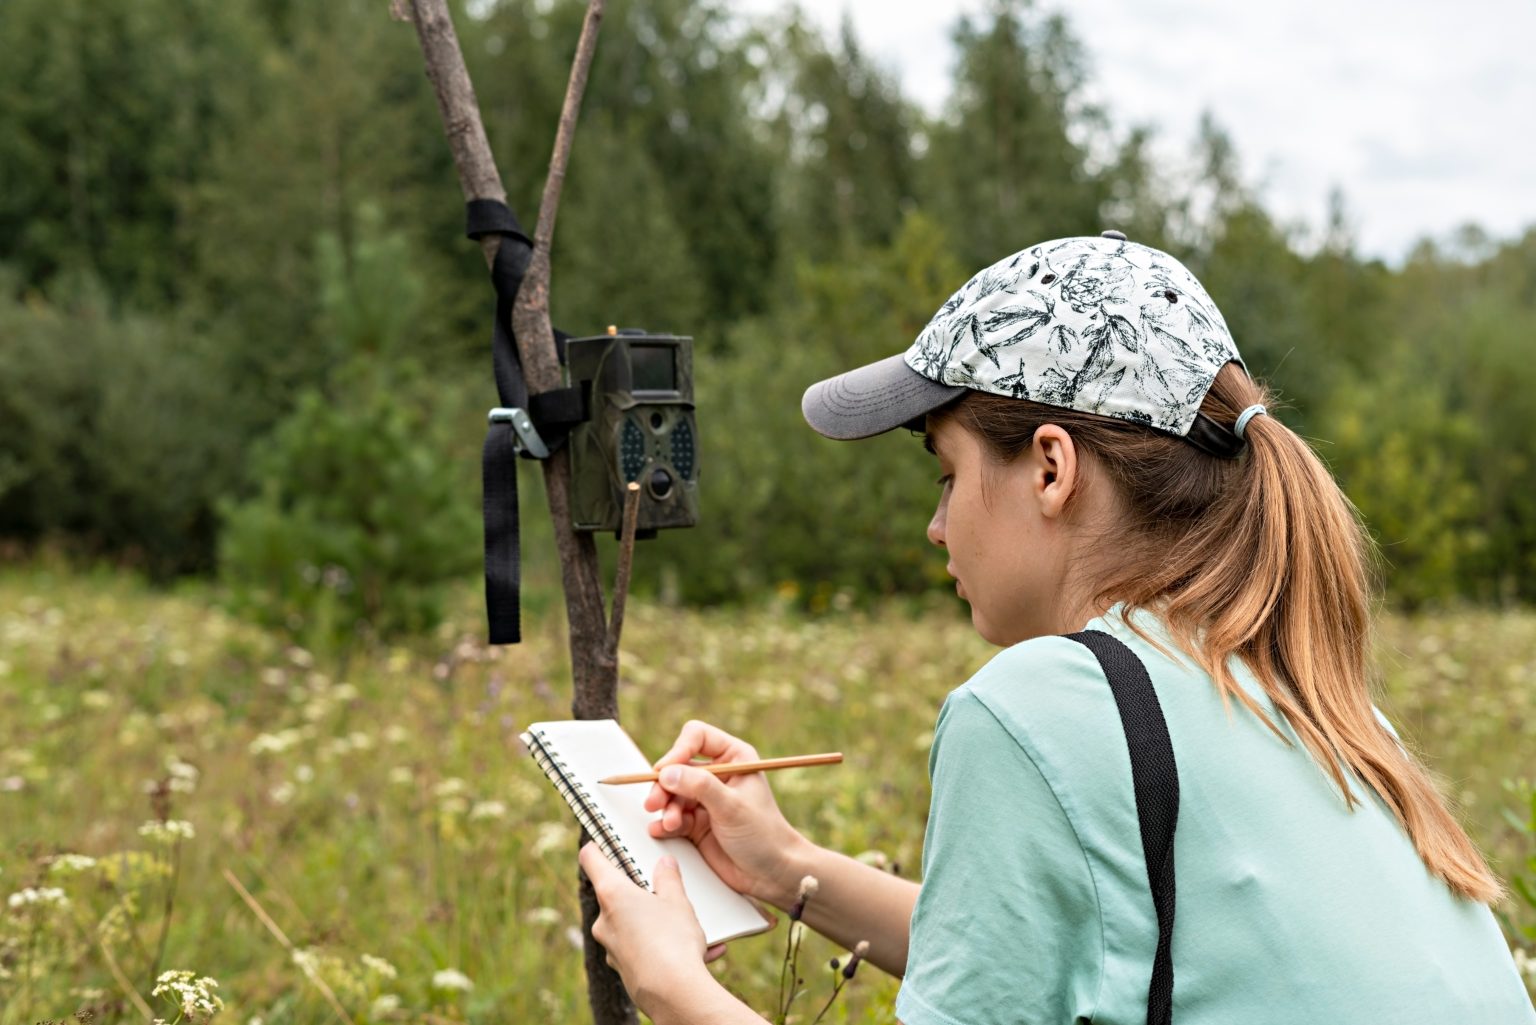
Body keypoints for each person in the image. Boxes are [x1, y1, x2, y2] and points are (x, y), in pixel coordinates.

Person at [578, 232, 1536, 1023]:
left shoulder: (1039, 706)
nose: (937, 524)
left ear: (1050, 467)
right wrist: (790, 869)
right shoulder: (1311, 699)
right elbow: (1040, 956)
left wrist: (675, 986)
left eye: (947, 473)